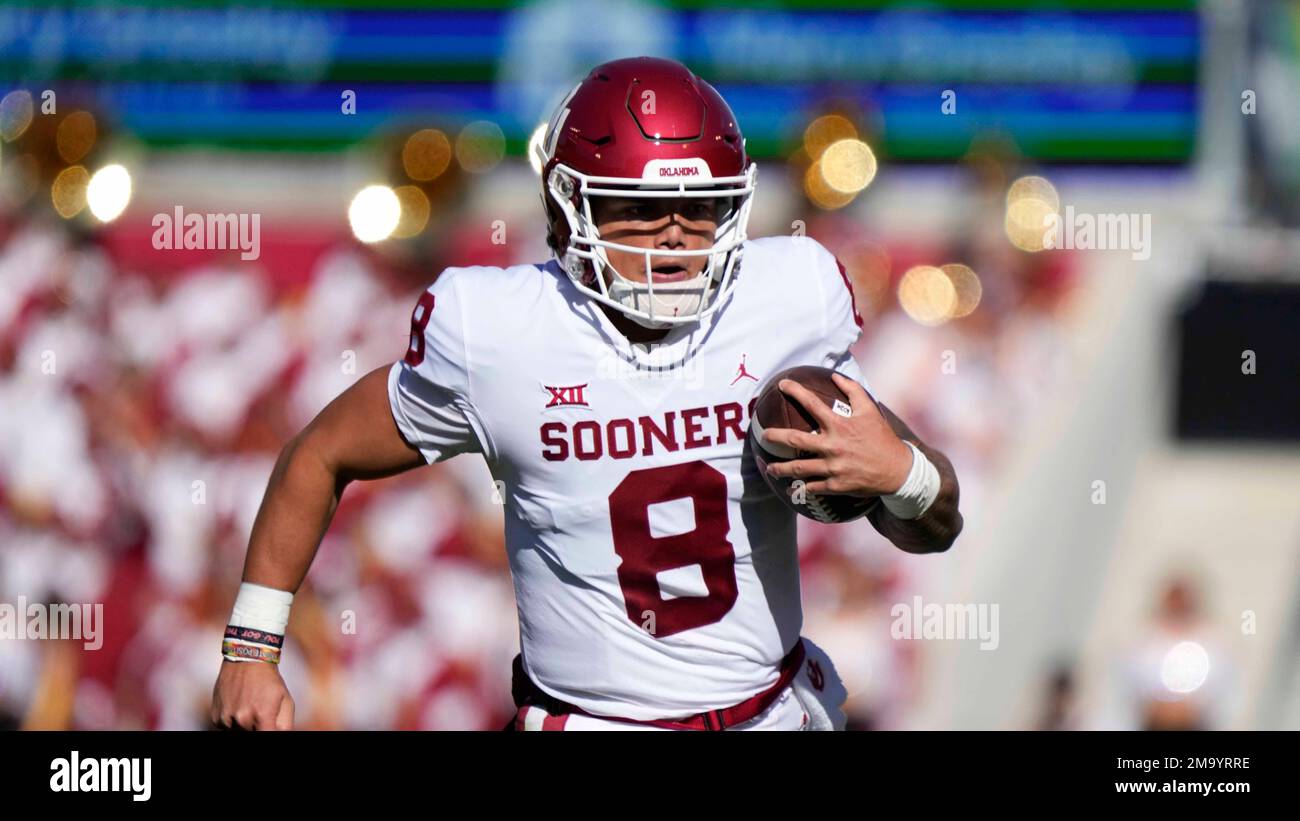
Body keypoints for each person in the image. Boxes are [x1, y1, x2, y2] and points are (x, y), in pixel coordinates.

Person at [210, 56, 962, 731]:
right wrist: (251, 645)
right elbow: (319, 453)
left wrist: (904, 477)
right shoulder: (499, 332)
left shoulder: (787, 300)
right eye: (638, 207)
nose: (673, 238)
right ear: (572, 206)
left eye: (699, 210)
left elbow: (936, 521)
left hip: (769, 712)